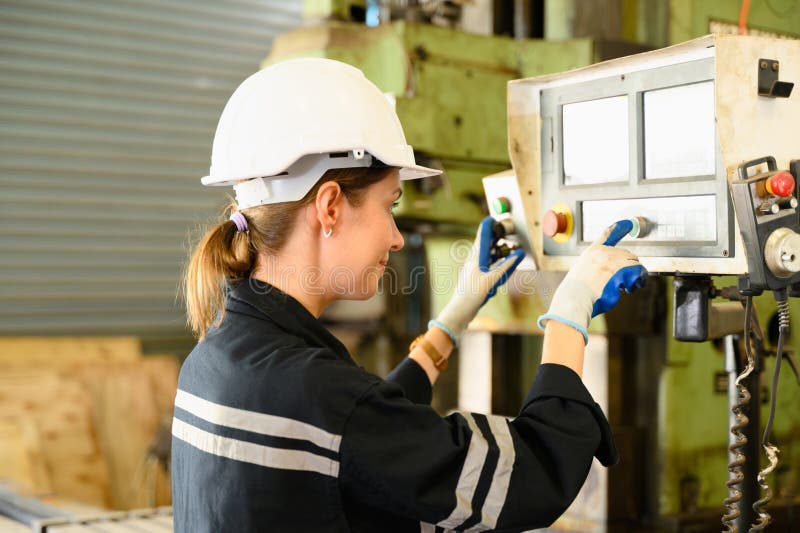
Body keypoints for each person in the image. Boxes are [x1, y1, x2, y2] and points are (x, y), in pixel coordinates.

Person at [171, 58, 645, 532]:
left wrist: (451, 322)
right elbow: (529, 478)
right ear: (330, 207)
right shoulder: (318, 393)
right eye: (389, 205)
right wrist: (569, 312)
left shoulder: (212, 359)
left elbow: (361, 440)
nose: (396, 238)